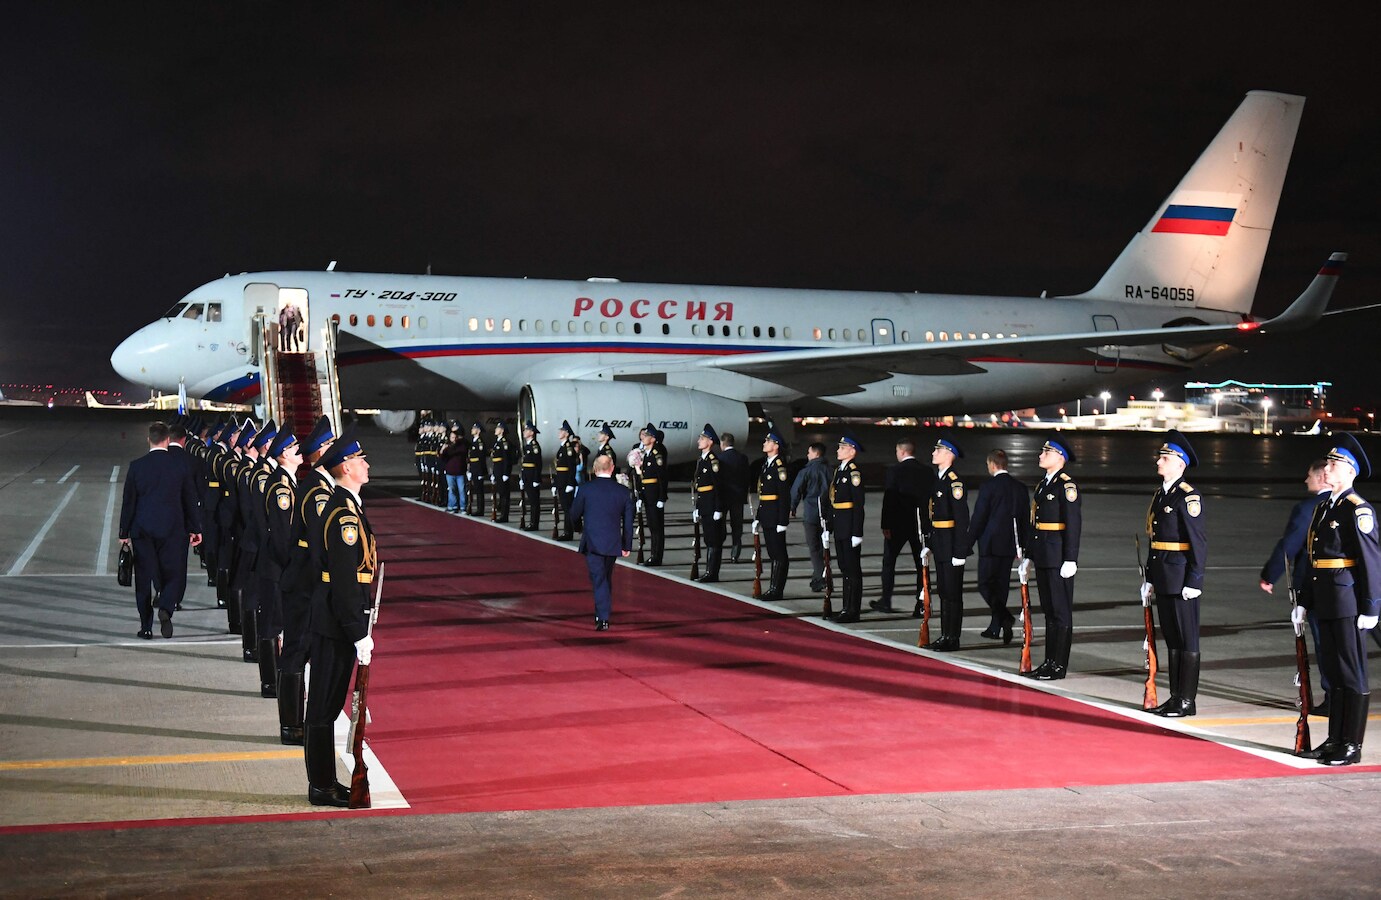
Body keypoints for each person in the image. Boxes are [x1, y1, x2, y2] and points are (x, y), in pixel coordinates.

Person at [1295, 434, 1381, 765]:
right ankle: (1334, 739)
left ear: (1349, 471)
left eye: (1333, 464)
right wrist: (1304, 600)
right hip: (1325, 600)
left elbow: (1370, 560)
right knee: (1333, 670)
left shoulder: (1358, 510)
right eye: (1328, 463)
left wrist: (1371, 608)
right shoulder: (1324, 506)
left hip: (1347, 602)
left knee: (1351, 673)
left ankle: (1351, 745)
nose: (1327, 469)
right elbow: (1314, 559)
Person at [303, 430, 377, 807]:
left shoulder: (348, 506)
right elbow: (346, 579)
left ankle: (325, 781)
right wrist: (357, 632)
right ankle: (321, 784)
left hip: (338, 619)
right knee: (323, 706)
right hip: (336, 622)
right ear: (347, 467)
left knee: (328, 706)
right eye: (360, 460)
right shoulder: (343, 514)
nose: (366, 464)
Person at [1140, 430, 1207, 717]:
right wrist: (1150, 577)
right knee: (1172, 639)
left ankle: (1187, 700)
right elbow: (1155, 540)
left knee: (1186, 638)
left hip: (1181, 579)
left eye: (1165, 457)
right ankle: (1175, 696)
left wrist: (1195, 580)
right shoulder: (1161, 495)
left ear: (1180, 463)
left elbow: (1198, 542)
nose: (1159, 461)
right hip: (1165, 576)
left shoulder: (1187, 497)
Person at [278, 415, 335, 745]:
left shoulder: (319, 486)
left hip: (306, 582)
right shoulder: (316, 490)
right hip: (304, 584)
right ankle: (290, 725)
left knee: (303, 650)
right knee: (297, 651)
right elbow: (318, 544)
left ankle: (293, 722)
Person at [1259, 460, 1332, 714]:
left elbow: (1289, 545)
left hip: (1317, 589)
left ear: (1322, 477)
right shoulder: (1347, 506)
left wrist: (1270, 575)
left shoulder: (1308, 508)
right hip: (1349, 588)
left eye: (1309, 475)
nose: (1305, 480)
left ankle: (1334, 697)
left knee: (1325, 644)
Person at [118, 421, 202, 639]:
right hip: (173, 529)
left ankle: (146, 626)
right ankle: (166, 606)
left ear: (149, 440)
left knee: (144, 579)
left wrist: (123, 533)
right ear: (167, 440)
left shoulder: (137, 466)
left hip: (143, 530)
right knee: (174, 573)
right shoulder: (179, 466)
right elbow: (189, 499)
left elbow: (129, 502)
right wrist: (195, 528)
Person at [1021, 439, 1081, 679]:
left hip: (1058, 558)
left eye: (1047, 452)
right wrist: (1029, 555)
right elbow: (1036, 525)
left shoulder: (1066, 486)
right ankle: (1049, 661)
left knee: (1060, 611)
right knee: (1049, 611)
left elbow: (1073, 524)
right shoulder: (1044, 485)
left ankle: (1058, 665)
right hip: (1044, 555)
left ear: (1060, 457)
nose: (1041, 455)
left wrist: (1070, 558)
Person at [255, 423, 301, 699]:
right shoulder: (281, 486)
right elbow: (283, 533)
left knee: (277, 622)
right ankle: (271, 682)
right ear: (284, 454)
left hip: (279, 565)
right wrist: (293, 565)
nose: (299, 452)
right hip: (278, 566)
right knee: (272, 624)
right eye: (295, 449)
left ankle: (274, 682)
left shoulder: (288, 481)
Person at [965, 448, 1030, 643]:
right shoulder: (1019, 488)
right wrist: (1024, 546)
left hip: (990, 544)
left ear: (992, 464)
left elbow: (979, 518)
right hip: (1009, 544)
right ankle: (995, 627)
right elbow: (1025, 520)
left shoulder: (988, 487)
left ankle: (1004, 618)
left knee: (984, 584)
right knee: (1001, 587)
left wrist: (968, 542)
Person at [569, 454, 636, 630]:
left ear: (595, 469)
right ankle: (601, 612)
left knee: (599, 579)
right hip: (613, 542)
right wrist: (626, 544)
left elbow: (574, 514)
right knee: (605, 577)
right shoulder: (622, 491)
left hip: (592, 541)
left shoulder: (586, 489)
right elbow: (628, 521)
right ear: (612, 468)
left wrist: (578, 527)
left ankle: (603, 617)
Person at [872, 439, 932, 614]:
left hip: (897, 524)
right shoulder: (927, 471)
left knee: (889, 562)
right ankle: (921, 603)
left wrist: (886, 524)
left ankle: (886, 599)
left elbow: (889, 499)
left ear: (902, 451)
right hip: (919, 524)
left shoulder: (894, 471)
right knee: (921, 564)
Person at [922, 436, 970, 650]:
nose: (933, 453)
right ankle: (944, 635)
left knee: (953, 593)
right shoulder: (939, 480)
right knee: (943, 591)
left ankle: (953, 637)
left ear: (949, 454)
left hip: (951, 545)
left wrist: (960, 551)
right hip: (941, 544)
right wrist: (930, 543)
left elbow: (961, 519)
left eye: (937, 450)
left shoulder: (954, 482)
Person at [823, 432, 866, 622]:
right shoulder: (839, 471)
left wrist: (857, 532)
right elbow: (834, 502)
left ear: (851, 451)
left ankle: (852, 610)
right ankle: (845, 607)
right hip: (840, 526)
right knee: (844, 568)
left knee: (852, 570)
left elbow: (858, 505)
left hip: (849, 528)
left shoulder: (853, 472)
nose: (838, 450)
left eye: (842, 448)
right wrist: (828, 526)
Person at [753, 430, 791, 601]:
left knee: (778, 554)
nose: (764, 443)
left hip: (775, 516)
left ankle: (777, 589)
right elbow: (763, 495)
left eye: (768, 441)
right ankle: (772, 587)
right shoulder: (767, 465)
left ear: (775, 446)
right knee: (772, 553)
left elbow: (783, 496)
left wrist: (783, 520)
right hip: (767, 515)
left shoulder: (779, 467)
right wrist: (758, 517)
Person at [790, 442, 831, 592]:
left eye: (809, 452)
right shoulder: (830, 470)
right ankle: (820, 573)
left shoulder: (806, 471)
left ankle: (821, 577)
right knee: (824, 546)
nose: (807, 455)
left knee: (814, 547)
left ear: (815, 453)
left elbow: (796, 490)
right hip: (827, 514)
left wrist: (792, 507)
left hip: (812, 514)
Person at [692, 423, 726, 583]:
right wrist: (698, 507)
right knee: (708, 539)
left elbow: (718, 486)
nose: (699, 440)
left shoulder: (713, 461)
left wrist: (718, 508)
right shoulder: (702, 460)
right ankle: (708, 571)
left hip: (712, 506)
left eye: (702, 438)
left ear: (710, 441)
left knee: (713, 540)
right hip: (705, 505)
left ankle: (712, 573)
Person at [638, 423, 668, 565]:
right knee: (651, 526)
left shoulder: (656, 455)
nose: (644, 438)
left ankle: (657, 557)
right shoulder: (647, 455)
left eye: (647, 436)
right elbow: (644, 479)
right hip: (648, 496)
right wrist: (641, 496)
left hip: (655, 496)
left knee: (657, 528)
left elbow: (662, 477)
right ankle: (653, 555)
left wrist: (662, 497)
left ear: (653, 439)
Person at [718, 432, 750, 562]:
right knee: (737, 526)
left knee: (720, 523)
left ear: (722, 443)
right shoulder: (742, 458)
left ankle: (718, 548)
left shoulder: (720, 458)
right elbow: (747, 477)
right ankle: (735, 553)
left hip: (724, 496)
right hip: (738, 497)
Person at [553, 420, 579, 539]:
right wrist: (555, 483)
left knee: (568, 508)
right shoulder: (562, 448)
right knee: (564, 507)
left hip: (566, 483)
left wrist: (570, 483)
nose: (559, 432)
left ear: (567, 434)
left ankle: (568, 532)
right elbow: (559, 468)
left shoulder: (568, 449)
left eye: (562, 431)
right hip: (561, 481)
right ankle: (568, 530)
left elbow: (571, 467)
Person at [438, 424, 467, 514]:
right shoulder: (448, 447)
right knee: (451, 490)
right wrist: (442, 450)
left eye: (454, 437)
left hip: (459, 471)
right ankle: (452, 506)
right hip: (450, 471)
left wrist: (449, 448)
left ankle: (463, 507)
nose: (452, 438)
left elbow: (458, 452)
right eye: (451, 437)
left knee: (461, 490)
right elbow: (443, 457)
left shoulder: (461, 446)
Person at [519, 422, 542, 530]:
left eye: (526, 430)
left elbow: (538, 464)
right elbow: (524, 464)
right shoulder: (527, 445)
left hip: (532, 477)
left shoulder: (534, 446)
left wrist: (536, 479)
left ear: (531, 433)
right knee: (530, 500)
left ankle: (534, 523)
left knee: (534, 501)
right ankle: (531, 522)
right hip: (527, 477)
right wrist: (522, 478)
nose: (524, 432)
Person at [491, 421, 514, 522]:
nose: (496, 429)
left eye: (498, 428)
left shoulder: (504, 443)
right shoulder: (498, 442)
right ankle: (501, 514)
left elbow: (506, 460)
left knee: (504, 495)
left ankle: (504, 516)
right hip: (498, 470)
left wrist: (506, 473)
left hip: (502, 472)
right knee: (501, 493)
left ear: (502, 430)